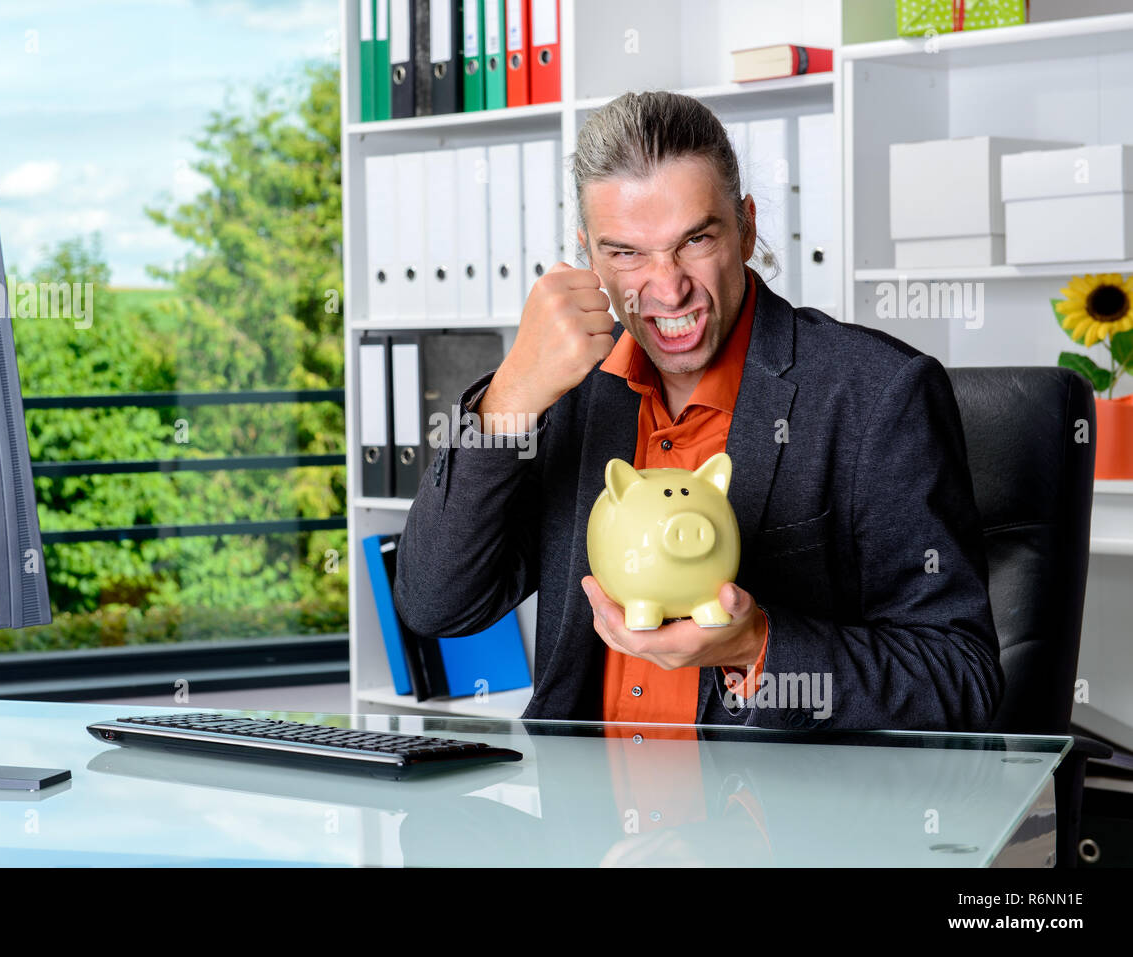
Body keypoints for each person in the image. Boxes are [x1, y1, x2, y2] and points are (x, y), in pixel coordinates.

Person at [392, 91, 1003, 730]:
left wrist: (756, 647)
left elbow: (961, 679)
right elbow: (438, 604)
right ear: (589, 255)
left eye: (695, 240)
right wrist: (509, 398)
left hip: (777, 822)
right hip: (581, 819)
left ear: (746, 228)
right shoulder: (565, 392)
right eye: (626, 252)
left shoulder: (877, 393)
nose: (667, 286)